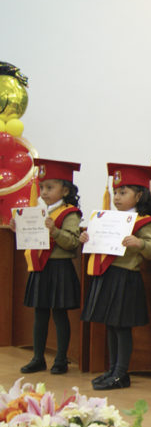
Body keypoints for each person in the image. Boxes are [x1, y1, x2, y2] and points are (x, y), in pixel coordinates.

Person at [81, 164, 151, 390]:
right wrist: (88, 238)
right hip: (107, 275)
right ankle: (112, 369)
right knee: (110, 325)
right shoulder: (106, 219)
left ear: (139, 195)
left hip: (126, 278)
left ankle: (121, 372)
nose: (116, 197)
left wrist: (139, 243)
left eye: (123, 192)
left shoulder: (144, 222)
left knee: (122, 326)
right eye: (115, 192)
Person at [10, 158, 81, 374]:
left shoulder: (70, 213)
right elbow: (31, 240)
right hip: (41, 268)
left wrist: (55, 231)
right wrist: (19, 229)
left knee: (60, 314)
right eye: (41, 187)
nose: (44, 192)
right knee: (39, 313)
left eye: (50, 187)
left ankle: (61, 359)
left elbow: (72, 243)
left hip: (59, 267)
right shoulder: (39, 213)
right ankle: (38, 357)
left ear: (65, 189)